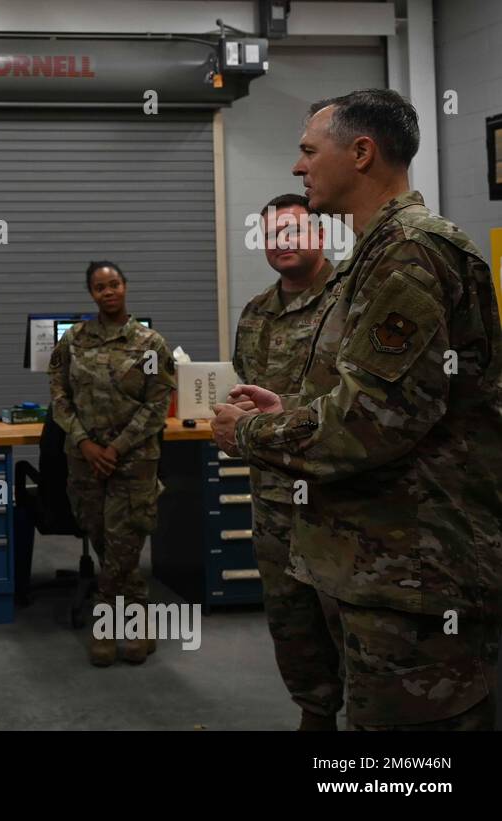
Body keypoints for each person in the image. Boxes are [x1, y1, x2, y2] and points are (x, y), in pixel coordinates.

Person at [213, 88, 502, 730]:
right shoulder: (375, 256)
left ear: (362, 152)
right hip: (377, 561)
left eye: (309, 151)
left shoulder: (411, 253)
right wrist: (290, 405)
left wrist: (253, 430)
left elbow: (369, 424)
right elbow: (388, 400)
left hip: (414, 570)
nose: (298, 167)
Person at [232, 194, 343, 730]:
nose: (283, 243)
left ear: (320, 235)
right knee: (292, 621)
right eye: (272, 235)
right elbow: (246, 391)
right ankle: (315, 714)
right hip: (275, 499)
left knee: (353, 625)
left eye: (294, 232)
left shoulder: (353, 297)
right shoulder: (256, 313)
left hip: (342, 499)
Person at [48, 261, 176, 667]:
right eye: (100, 287)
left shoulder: (150, 344)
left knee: (125, 540)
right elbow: (59, 396)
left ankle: (107, 623)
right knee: (107, 541)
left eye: (114, 284)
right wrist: (85, 442)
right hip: (85, 462)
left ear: (125, 286)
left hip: (132, 461)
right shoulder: (72, 342)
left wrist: (116, 448)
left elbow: (158, 403)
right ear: (91, 294)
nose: (108, 292)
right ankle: (139, 618)